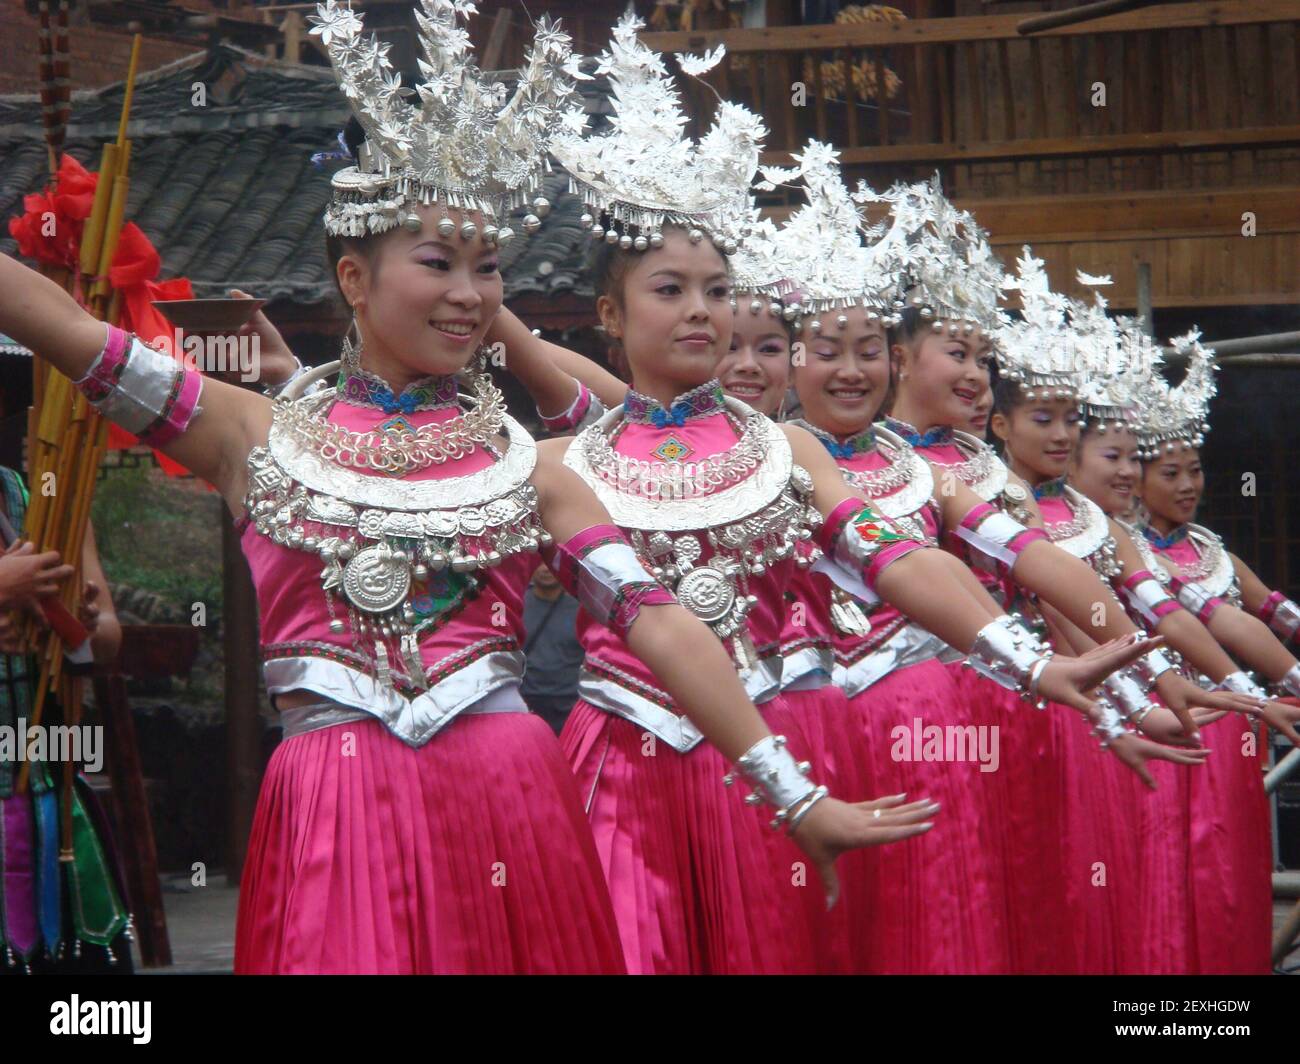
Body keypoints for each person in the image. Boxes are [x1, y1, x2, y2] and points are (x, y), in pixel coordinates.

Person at [0, 2, 937, 974]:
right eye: (437, 262)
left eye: (487, 267)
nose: (470, 293)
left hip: (507, 797)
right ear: (355, 278)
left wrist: (789, 788)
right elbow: (69, 332)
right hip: (336, 794)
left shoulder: (534, 466)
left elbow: (660, 624)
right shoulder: (252, 432)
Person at [488, 25, 1169, 973]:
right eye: (669, 288)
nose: (699, 310)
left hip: (772, 745)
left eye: (717, 290)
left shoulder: (786, 447)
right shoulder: (564, 461)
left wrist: (1029, 663)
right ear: (610, 313)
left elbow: (899, 559)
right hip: (622, 759)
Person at [519, 562, 582, 734]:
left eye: (550, 562)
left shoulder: (583, 609)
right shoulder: (514, 604)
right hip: (524, 707)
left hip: (569, 710)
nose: (545, 568)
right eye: (538, 562)